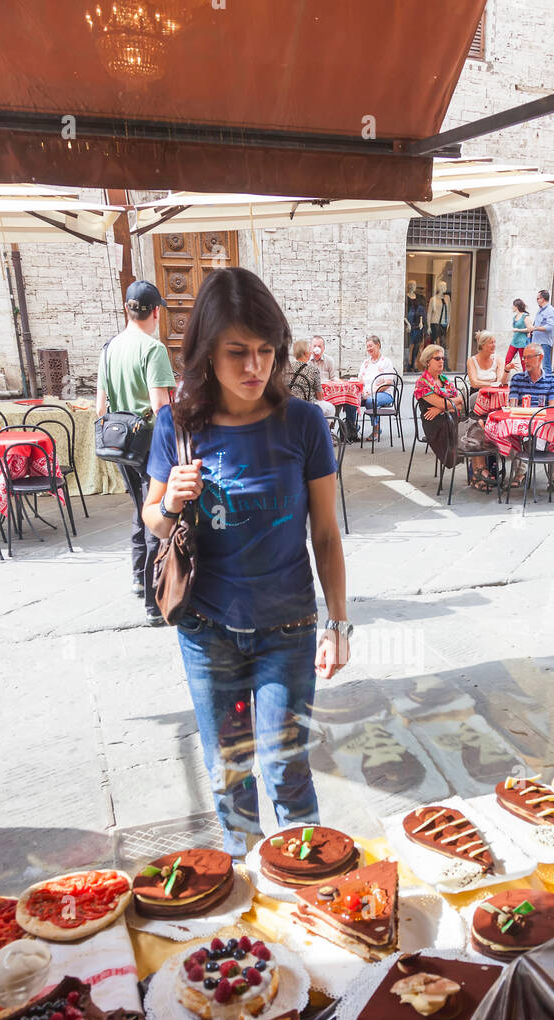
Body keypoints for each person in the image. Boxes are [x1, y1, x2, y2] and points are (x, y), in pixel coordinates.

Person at [142, 267, 350, 854]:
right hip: (207, 631)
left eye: (266, 351)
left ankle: (308, 884)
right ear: (207, 352)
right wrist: (173, 501)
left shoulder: (304, 424)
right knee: (230, 773)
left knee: (288, 769)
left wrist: (337, 624)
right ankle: (252, 905)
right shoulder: (176, 425)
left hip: (288, 629)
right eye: (238, 352)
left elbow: (327, 535)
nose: (255, 367)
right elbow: (151, 520)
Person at [95, 278, 175, 627]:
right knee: (157, 516)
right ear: (155, 311)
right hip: (151, 445)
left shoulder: (109, 347)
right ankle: (154, 601)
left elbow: (100, 407)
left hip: (120, 443)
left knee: (138, 508)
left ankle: (137, 580)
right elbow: (161, 406)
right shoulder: (153, 349)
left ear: (128, 309)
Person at [413, 343, 498, 491]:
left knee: (478, 425)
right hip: (437, 427)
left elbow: (460, 404)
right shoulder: (422, 383)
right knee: (476, 428)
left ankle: (477, 473)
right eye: (437, 358)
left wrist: (441, 408)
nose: (441, 361)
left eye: (443, 358)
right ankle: (479, 473)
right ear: (428, 362)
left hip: (450, 420)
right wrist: (447, 405)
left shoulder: (444, 380)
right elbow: (450, 403)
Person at [507, 343, 554, 492]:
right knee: (513, 435)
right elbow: (513, 404)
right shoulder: (517, 378)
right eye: (524, 357)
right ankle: (520, 473)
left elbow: (552, 407)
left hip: (544, 423)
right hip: (522, 422)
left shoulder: (551, 380)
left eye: (529, 357)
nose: (525, 361)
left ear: (540, 358)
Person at [343, 335, 395, 443]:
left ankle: (376, 429)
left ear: (378, 345)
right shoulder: (365, 363)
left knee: (371, 401)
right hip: (366, 392)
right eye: (367, 347)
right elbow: (360, 381)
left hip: (384, 393)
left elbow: (388, 383)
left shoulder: (386, 362)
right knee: (350, 400)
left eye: (371, 346)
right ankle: (352, 429)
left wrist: (372, 392)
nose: (369, 349)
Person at [287, 340, 334, 418]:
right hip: (307, 406)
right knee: (330, 408)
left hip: (288, 406)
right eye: (310, 350)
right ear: (306, 353)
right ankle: (325, 429)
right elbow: (320, 397)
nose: (312, 352)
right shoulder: (313, 370)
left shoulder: (286, 369)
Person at [467, 331, 513, 398]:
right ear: (482, 345)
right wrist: (492, 384)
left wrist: (506, 371)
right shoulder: (471, 360)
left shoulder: (498, 360)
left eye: (495, 342)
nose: (494, 345)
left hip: (493, 394)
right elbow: (474, 383)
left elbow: (500, 381)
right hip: (477, 394)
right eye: (491, 343)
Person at [531, 291, 554, 375]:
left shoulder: (550, 310)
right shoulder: (540, 309)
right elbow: (537, 323)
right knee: (535, 365)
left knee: (546, 366)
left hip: (544, 343)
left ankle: (549, 386)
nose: (537, 300)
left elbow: (549, 327)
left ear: (543, 299)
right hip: (536, 342)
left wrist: (535, 328)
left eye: (538, 298)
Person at [505, 299, 533, 369]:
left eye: (513, 306)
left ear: (516, 306)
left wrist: (518, 330)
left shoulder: (525, 316)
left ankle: (526, 379)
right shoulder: (514, 317)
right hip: (514, 341)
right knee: (507, 360)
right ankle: (505, 376)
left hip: (522, 343)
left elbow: (530, 329)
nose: (512, 307)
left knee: (524, 363)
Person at [405, 286, 427, 371]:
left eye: (415, 285)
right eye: (413, 285)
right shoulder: (406, 297)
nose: (414, 287)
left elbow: (421, 311)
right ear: (409, 286)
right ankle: (408, 364)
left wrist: (421, 322)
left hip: (418, 324)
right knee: (409, 345)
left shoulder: (418, 297)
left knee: (417, 345)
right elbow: (405, 311)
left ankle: (414, 364)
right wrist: (407, 323)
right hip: (409, 324)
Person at [428, 282, 451, 346]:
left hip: (444, 323)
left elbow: (449, 310)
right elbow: (429, 313)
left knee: (443, 342)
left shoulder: (447, 298)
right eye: (444, 286)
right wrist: (429, 326)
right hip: (435, 323)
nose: (446, 288)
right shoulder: (433, 299)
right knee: (437, 342)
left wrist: (449, 322)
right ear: (440, 287)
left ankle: (441, 355)